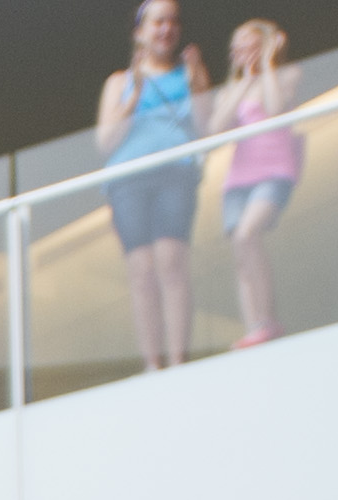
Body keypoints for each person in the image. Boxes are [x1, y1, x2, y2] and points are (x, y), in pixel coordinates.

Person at [102, 0, 217, 372]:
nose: (167, 29)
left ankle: (178, 359)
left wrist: (198, 80)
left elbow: (206, 128)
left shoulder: (189, 74)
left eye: (173, 22)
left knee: (172, 262)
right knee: (142, 270)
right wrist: (134, 95)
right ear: (140, 32)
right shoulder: (119, 82)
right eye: (158, 22)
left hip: (175, 173)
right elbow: (105, 141)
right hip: (128, 180)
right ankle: (153, 364)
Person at [217, 22, 310, 346]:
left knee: (247, 233)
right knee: (240, 250)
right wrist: (243, 81)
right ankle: (253, 326)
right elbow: (216, 127)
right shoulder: (232, 89)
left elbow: (275, 108)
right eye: (238, 47)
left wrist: (267, 65)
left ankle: (267, 318)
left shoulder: (286, 75)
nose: (244, 52)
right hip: (238, 177)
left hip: (274, 170)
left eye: (251, 45)